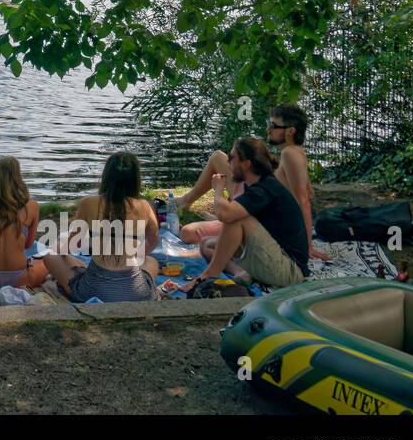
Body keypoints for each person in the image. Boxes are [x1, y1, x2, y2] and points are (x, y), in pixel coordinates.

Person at [174, 104, 326, 260]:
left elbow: (303, 200)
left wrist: (307, 246)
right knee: (218, 157)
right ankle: (186, 201)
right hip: (255, 204)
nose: (268, 129)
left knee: (188, 232)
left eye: (273, 126)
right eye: (268, 124)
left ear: (291, 131)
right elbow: (306, 191)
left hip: (259, 219)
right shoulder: (294, 152)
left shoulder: (290, 154)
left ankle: (219, 221)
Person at [183, 137, 310, 289]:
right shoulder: (256, 184)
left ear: (246, 164)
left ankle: (209, 275)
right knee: (206, 244)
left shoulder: (264, 189)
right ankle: (242, 273)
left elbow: (226, 214)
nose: (228, 162)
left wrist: (218, 189)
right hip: (272, 255)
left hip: (289, 271)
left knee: (235, 218)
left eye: (231, 158)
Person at [43, 152, 160, 302]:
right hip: (136, 293)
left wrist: (61, 253)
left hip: (93, 290)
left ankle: (79, 273)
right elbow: (154, 240)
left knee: (50, 256)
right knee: (151, 261)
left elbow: (73, 244)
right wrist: (137, 256)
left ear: (107, 177)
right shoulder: (144, 206)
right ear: (135, 179)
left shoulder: (88, 203)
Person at [0, 156, 48, 291]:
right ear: (18, 178)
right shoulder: (31, 206)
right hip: (18, 279)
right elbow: (28, 244)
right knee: (47, 262)